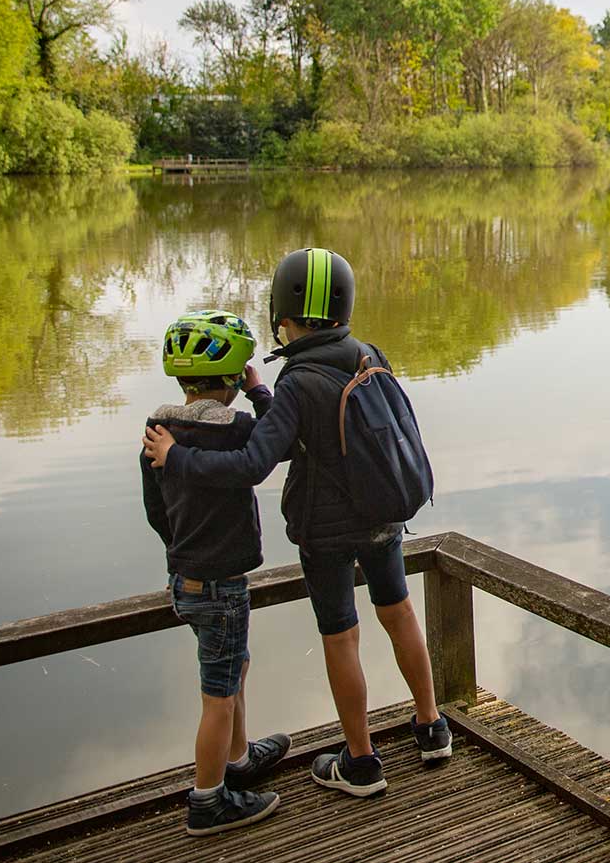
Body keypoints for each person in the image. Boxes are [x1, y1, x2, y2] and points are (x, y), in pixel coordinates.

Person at [143, 248, 450, 798]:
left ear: (283, 314)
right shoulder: (366, 353)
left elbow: (256, 462)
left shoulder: (298, 381)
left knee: (341, 637)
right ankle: (432, 728)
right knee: (399, 611)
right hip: (384, 513)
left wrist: (179, 458)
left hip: (326, 532)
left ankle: (361, 763)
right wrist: (263, 393)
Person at [141, 310, 291, 835]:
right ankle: (208, 800)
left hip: (185, 581)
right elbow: (280, 439)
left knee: (233, 670)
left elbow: (156, 513)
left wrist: (183, 555)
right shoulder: (236, 431)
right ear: (233, 378)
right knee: (218, 696)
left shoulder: (157, 431)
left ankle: (239, 759)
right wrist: (260, 392)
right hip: (222, 587)